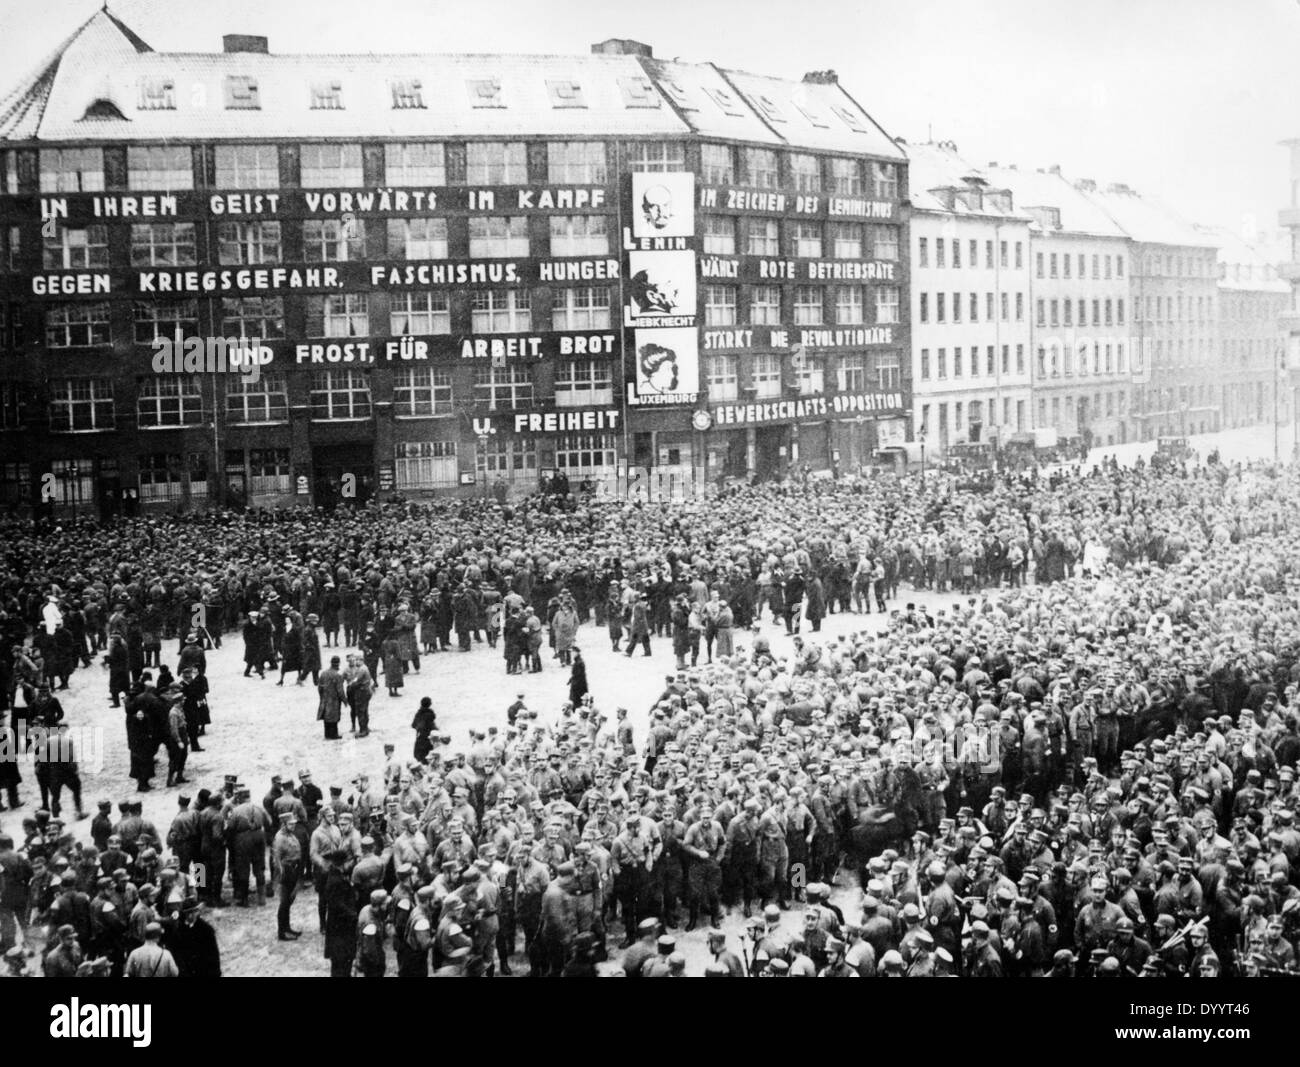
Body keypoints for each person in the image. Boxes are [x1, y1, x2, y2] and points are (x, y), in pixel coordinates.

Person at [317, 656, 346, 740]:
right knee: (334, 716)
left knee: (326, 716)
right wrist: (344, 700)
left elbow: (319, 687)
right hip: (334, 699)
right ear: (338, 664)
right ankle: (334, 734)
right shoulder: (337, 675)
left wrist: (321, 696)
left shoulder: (323, 673)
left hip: (325, 698)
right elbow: (340, 691)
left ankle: (327, 734)